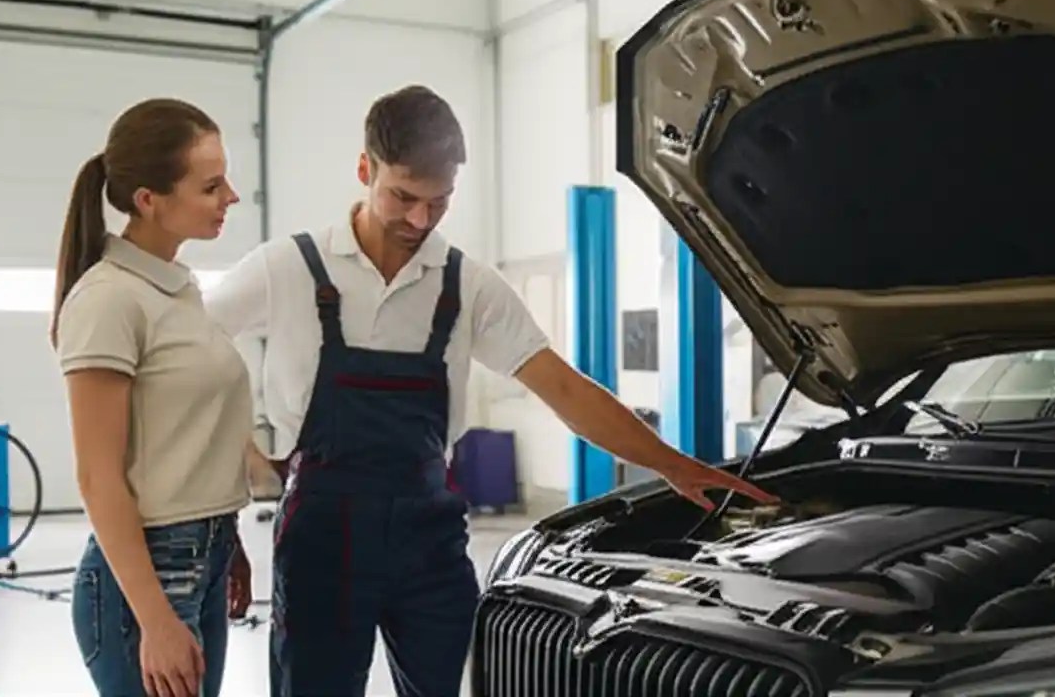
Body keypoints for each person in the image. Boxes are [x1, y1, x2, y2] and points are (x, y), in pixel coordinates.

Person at [203, 84, 777, 697]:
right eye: (403, 197)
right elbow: (187, 364)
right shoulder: (287, 267)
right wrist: (239, 473)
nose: (420, 220)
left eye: (439, 201)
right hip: (323, 533)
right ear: (364, 169)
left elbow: (563, 386)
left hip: (429, 539)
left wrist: (671, 464)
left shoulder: (467, 285)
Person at [52, 98, 256, 697]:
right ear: (149, 200)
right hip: (149, 578)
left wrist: (228, 537)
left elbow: (186, 437)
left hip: (206, 554)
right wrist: (155, 620)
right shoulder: (108, 300)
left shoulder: (179, 291)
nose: (232, 197)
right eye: (211, 186)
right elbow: (97, 478)